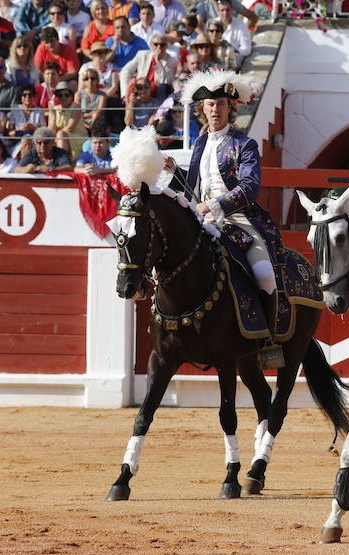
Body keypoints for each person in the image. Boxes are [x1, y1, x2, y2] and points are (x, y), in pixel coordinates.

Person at [167, 69, 283, 367]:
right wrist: (173, 170)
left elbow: (249, 188)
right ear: (202, 109)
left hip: (238, 219)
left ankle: (268, 340)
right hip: (202, 220)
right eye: (209, 105)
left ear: (230, 108)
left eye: (220, 104)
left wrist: (214, 206)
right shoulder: (200, 145)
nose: (214, 109)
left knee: (266, 274)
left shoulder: (245, 145)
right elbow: (194, 188)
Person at [119, 32, 178, 98]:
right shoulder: (142, 55)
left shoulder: (171, 60)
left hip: (157, 94)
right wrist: (125, 94)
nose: (159, 47)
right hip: (140, 89)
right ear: (151, 45)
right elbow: (126, 70)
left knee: (163, 87)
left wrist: (158, 62)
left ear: (166, 47)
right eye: (156, 44)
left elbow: (164, 81)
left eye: (162, 45)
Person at [50, 81, 87, 157]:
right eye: (60, 95)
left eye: (67, 95)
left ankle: (63, 161)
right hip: (61, 138)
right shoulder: (54, 109)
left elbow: (70, 128)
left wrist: (56, 137)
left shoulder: (76, 107)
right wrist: (53, 116)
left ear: (71, 96)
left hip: (78, 137)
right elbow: (51, 131)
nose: (63, 98)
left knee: (61, 134)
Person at [215, 0, 250, 68]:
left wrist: (232, 52)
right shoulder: (213, 24)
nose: (225, 13)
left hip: (234, 57)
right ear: (218, 11)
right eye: (222, 10)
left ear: (232, 10)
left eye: (227, 10)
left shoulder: (241, 25)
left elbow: (247, 49)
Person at [75, 67, 106, 131]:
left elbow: (100, 111)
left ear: (97, 80)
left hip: (97, 121)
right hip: (82, 121)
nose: (90, 81)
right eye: (86, 79)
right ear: (84, 81)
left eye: (93, 78)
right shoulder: (78, 94)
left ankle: (92, 130)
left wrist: (85, 116)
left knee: (96, 115)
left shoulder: (102, 95)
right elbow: (77, 111)